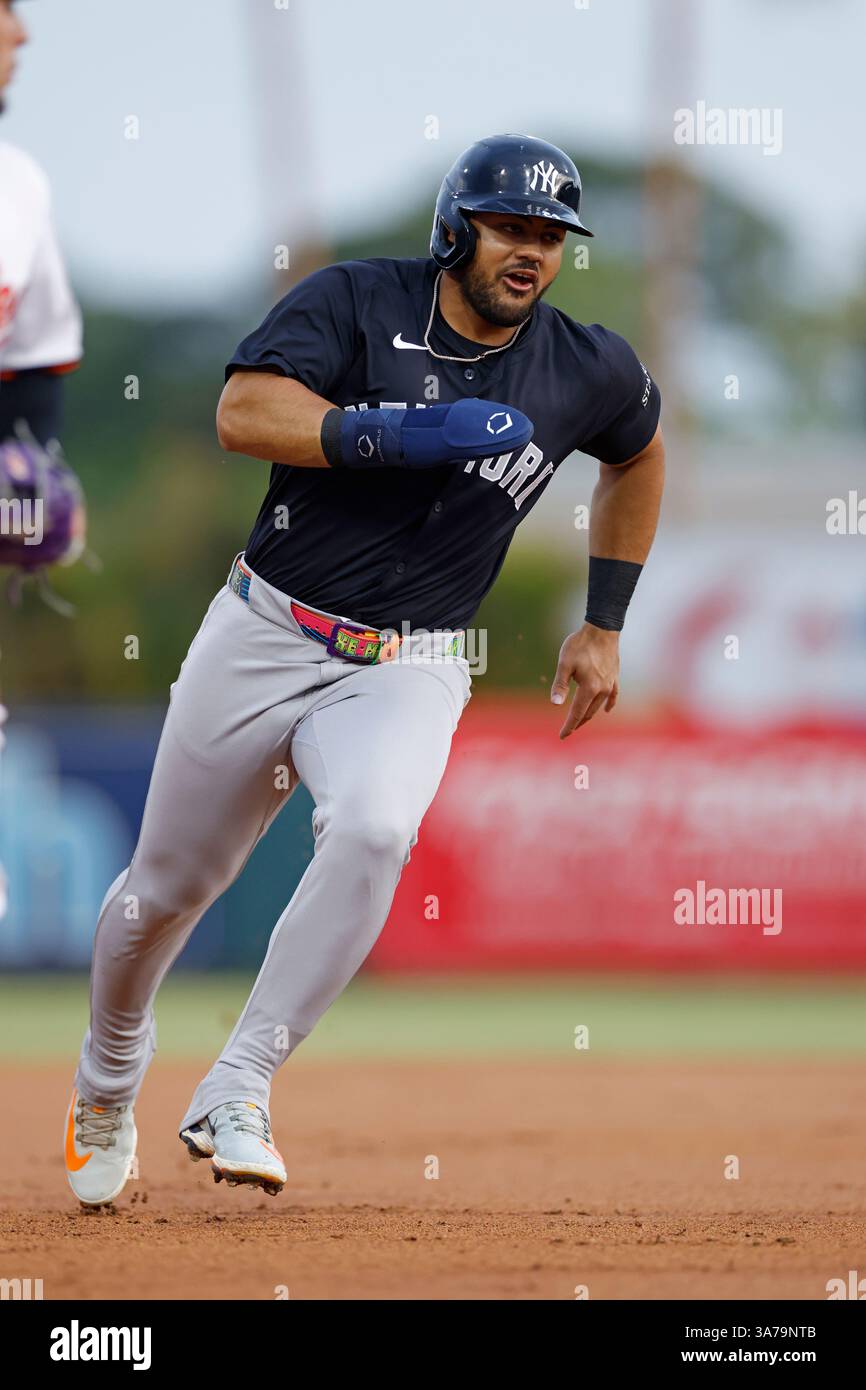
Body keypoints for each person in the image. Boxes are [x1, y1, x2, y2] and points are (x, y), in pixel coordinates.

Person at [66, 133, 664, 1206]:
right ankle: (108, 1077)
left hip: (410, 659)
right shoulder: (353, 299)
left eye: (548, 236)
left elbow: (638, 450)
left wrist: (604, 621)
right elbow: (242, 412)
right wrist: (398, 433)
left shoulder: (587, 365)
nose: (529, 252)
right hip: (264, 629)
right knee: (167, 890)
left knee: (379, 827)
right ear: (454, 225)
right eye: (507, 227)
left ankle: (238, 1082)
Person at [0, 0, 84, 923]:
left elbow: (34, 352)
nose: (23, 34)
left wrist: (34, 470)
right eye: (6, 12)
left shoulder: (16, 184)